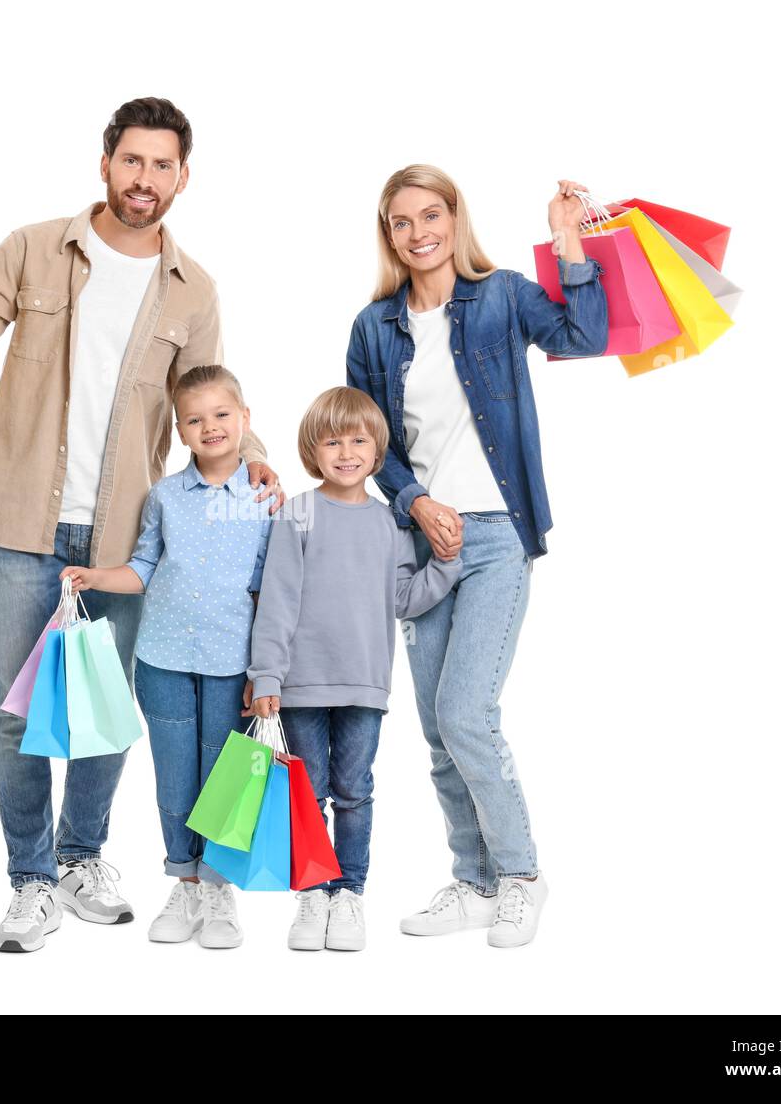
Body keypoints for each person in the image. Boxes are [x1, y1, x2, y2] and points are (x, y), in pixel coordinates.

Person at [0, 98, 285, 953]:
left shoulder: (194, 292)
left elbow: (208, 398)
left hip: (122, 537)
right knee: (16, 711)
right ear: (105, 163)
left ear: (182, 177)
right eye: (132, 161)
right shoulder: (36, 248)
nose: (144, 179)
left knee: (104, 708)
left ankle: (83, 856)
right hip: (20, 524)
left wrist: (257, 456)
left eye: (162, 165)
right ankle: (31, 876)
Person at [344, 166, 608, 948]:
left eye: (432, 214)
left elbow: (583, 335)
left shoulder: (500, 295)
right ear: (387, 234)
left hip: (495, 534)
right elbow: (366, 443)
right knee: (435, 725)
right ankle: (474, 880)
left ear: (455, 218)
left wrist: (567, 240)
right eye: (402, 221)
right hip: (421, 542)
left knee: (467, 712)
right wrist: (414, 502)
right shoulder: (373, 326)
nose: (419, 231)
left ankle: (521, 874)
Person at [60, 366, 272, 950]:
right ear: (179, 430)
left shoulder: (265, 496)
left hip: (233, 665)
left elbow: (274, 589)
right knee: (175, 780)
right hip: (164, 660)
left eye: (222, 415)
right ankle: (184, 881)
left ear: (245, 421)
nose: (210, 427)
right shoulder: (164, 498)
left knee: (224, 779)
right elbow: (144, 568)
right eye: (195, 419)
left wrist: (267, 670)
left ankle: (219, 886)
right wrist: (95, 576)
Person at [245, 387, 462, 951]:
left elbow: (404, 598)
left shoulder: (390, 523)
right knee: (309, 791)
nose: (346, 452)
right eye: (332, 441)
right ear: (312, 451)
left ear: (376, 448)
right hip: (300, 685)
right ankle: (312, 892)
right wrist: (266, 676)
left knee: (354, 791)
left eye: (358, 440)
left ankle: (350, 894)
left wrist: (447, 561)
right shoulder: (297, 513)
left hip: (365, 685)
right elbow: (277, 599)